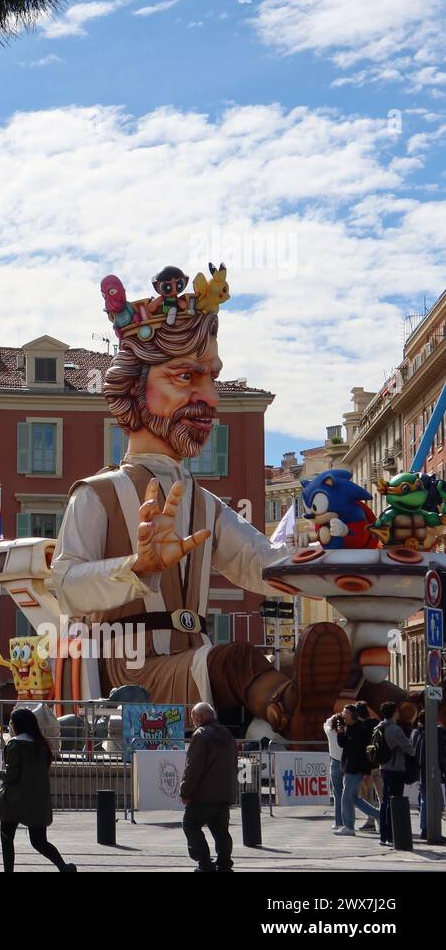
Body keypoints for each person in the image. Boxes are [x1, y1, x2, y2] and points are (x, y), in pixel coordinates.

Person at [52, 265, 348, 739]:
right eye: (186, 377)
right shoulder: (98, 495)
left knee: (238, 663)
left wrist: (338, 568)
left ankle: (292, 710)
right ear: (135, 389)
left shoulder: (204, 504)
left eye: (211, 378)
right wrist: (136, 568)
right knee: (235, 662)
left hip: (194, 662)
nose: (209, 398)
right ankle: (290, 708)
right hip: (131, 673)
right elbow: (64, 586)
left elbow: (263, 564)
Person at [0, 707, 76, 872]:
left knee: (7, 837)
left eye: (11, 722)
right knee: (39, 841)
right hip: (38, 800)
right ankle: (63, 867)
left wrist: (0, 774)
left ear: (18, 725)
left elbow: (13, 776)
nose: (10, 725)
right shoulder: (42, 745)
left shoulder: (15, 745)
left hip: (14, 801)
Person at [179, 702, 237, 872]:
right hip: (224, 794)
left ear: (200, 717)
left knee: (190, 825)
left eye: (193, 717)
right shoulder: (227, 734)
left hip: (203, 794)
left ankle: (204, 863)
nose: (193, 721)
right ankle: (225, 864)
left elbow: (193, 767)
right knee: (221, 830)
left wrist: (185, 791)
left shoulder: (201, 735)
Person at [326, 708, 377, 834]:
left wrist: (366, 772)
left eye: (346, 713)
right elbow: (342, 744)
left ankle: (349, 826)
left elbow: (365, 753)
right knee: (353, 798)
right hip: (349, 768)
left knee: (347, 797)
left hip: (356, 769)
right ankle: (380, 815)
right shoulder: (349, 728)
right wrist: (340, 732)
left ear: (353, 715)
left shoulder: (361, 730)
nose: (343, 715)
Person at [372, 701, 415, 846]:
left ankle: (383, 836)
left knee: (384, 802)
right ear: (394, 712)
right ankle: (391, 836)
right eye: (397, 711)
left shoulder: (379, 727)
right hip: (396, 769)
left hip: (383, 768)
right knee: (395, 803)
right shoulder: (395, 730)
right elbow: (410, 749)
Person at [411, 709, 446, 839]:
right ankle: (428, 829)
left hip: (419, 770)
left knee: (424, 798)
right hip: (432, 770)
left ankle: (425, 828)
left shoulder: (415, 732)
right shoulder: (438, 731)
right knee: (432, 800)